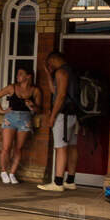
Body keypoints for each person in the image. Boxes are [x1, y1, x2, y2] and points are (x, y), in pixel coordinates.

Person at [38, 51, 79, 192]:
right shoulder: (72, 71)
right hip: (74, 115)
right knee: (73, 146)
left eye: (50, 63)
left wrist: (52, 116)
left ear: (54, 59)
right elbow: (54, 90)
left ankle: (58, 182)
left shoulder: (61, 72)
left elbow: (60, 96)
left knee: (61, 147)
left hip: (63, 115)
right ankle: (70, 181)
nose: (50, 66)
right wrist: (48, 74)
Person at [0, 66, 41, 184]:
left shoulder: (35, 91)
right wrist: (1, 110)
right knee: (6, 147)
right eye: (17, 74)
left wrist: (32, 105)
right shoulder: (12, 87)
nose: (17, 76)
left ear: (28, 76)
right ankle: (4, 171)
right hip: (10, 117)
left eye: (20, 74)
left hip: (25, 119)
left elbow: (38, 110)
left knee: (18, 148)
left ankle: (12, 173)